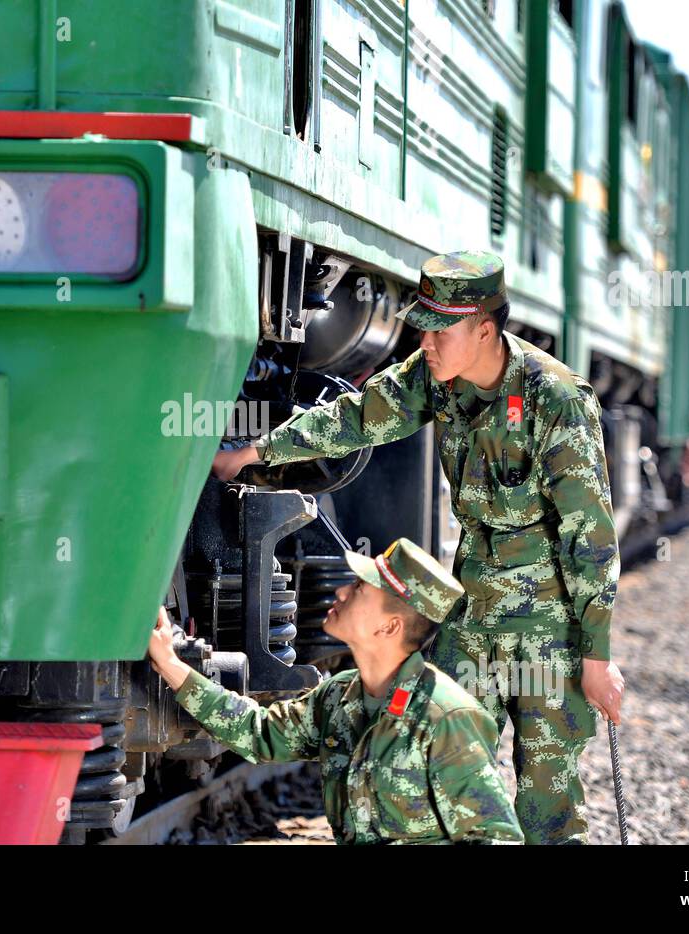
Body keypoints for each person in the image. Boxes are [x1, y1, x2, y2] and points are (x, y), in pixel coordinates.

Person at [212, 251, 625, 844]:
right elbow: (358, 416)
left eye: (440, 329)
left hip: (548, 631)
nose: (425, 341)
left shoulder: (555, 400)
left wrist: (596, 655)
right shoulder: (437, 377)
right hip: (470, 614)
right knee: (435, 771)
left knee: (547, 803)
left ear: (485, 330)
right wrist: (254, 454)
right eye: (422, 326)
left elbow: (591, 537)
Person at [148, 537, 523, 845]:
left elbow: (496, 837)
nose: (341, 591)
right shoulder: (339, 698)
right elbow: (259, 733)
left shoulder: (446, 718)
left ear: (389, 627)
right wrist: (172, 665)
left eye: (359, 588)